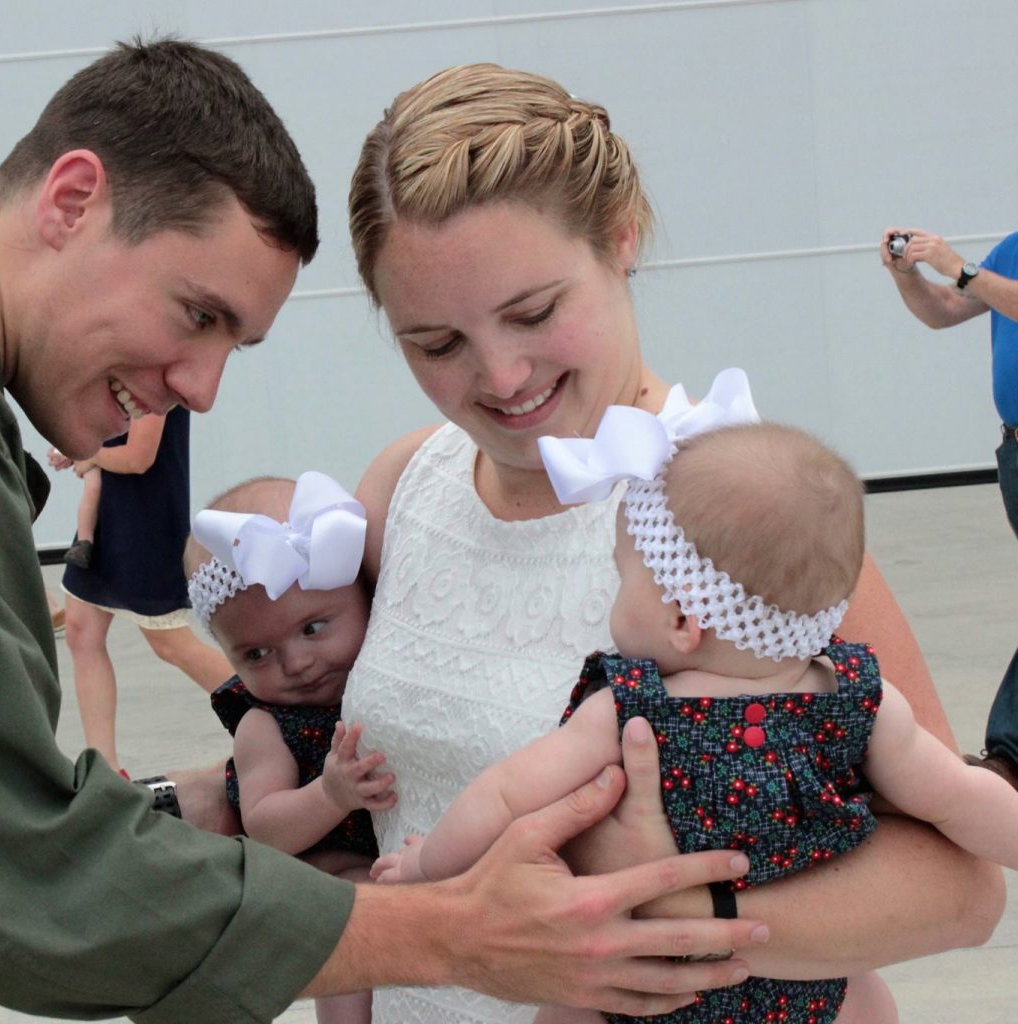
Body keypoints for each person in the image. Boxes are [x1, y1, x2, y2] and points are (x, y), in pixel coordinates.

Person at [0, 40, 765, 1024]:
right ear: (74, 197)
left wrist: (199, 808)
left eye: (237, 340)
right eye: (197, 312)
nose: (205, 386)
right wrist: (450, 934)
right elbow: (18, 877)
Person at [340, 64, 1005, 1023]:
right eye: (435, 343)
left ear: (621, 239)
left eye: (532, 313)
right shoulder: (404, 485)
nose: (501, 373)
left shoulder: (746, 527)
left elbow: (962, 891)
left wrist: (678, 912)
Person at [372, 393, 1018, 1023]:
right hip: (812, 983)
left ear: (682, 618)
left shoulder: (632, 710)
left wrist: (427, 868)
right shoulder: (861, 701)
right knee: (864, 995)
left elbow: (505, 799)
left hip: (641, 982)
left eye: (623, 578)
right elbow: (959, 797)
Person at [187, 471, 391, 1024]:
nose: (296, 664)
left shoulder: (387, 667)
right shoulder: (266, 724)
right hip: (325, 871)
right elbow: (266, 825)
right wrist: (330, 793)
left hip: (405, 856)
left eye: (314, 627)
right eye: (255, 654)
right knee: (352, 911)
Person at [881, 225, 1018, 787]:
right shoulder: (1010, 248)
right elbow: (943, 310)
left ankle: (1009, 755)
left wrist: (962, 268)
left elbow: (972, 284)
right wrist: (909, 275)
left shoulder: (989, 263)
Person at [49, 406, 231, 774]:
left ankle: (278, 711)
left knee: (170, 643)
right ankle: (106, 772)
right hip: (110, 515)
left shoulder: (156, 360)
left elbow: (139, 456)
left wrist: (89, 454)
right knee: (82, 633)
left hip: (145, 522)